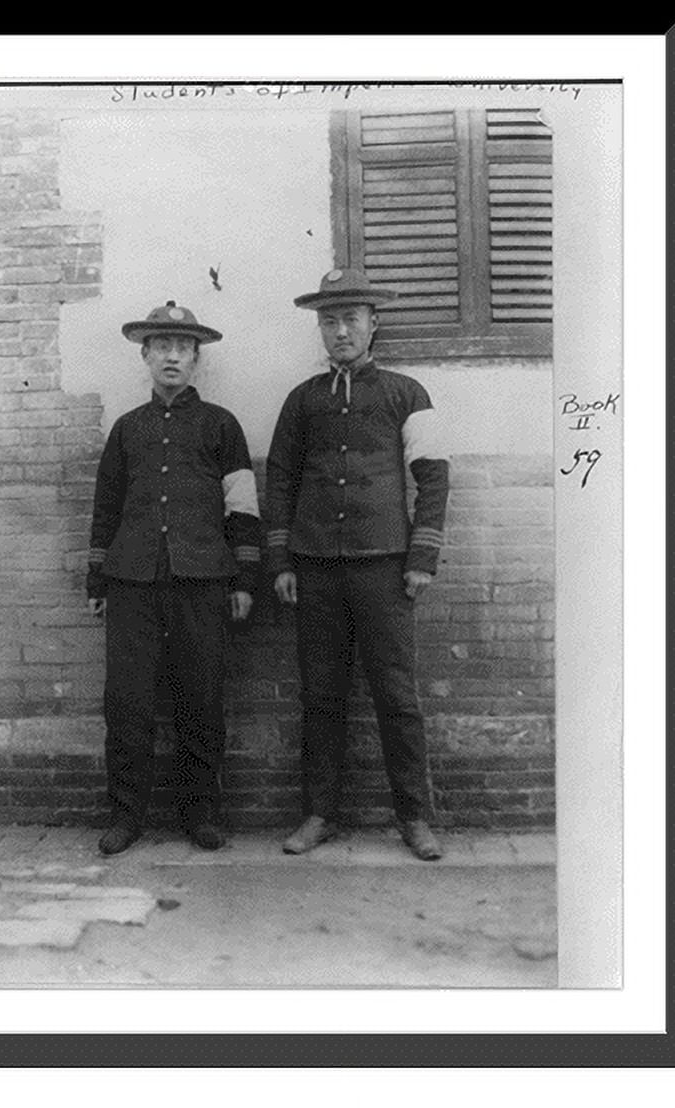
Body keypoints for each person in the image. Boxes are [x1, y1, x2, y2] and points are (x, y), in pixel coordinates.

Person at [266, 268, 450, 860]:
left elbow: (433, 478)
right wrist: (282, 560)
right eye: (329, 321)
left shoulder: (406, 393)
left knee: (397, 698)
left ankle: (415, 819)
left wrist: (422, 557)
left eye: (351, 319)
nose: (340, 331)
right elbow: (280, 480)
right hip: (316, 570)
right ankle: (319, 814)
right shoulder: (302, 401)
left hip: (385, 570)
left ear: (374, 324)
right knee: (321, 697)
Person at [86, 301, 260, 856]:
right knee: (127, 702)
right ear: (145, 355)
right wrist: (97, 581)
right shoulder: (127, 429)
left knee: (201, 697)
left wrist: (244, 579)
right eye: (161, 346)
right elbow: (106, 506)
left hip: (201, 581)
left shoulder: (221, 425)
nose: (172, 357)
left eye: (183, 348)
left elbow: (243, 506)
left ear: (196, 359)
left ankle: (201, 813)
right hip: (132, 582)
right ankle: (126, 815)